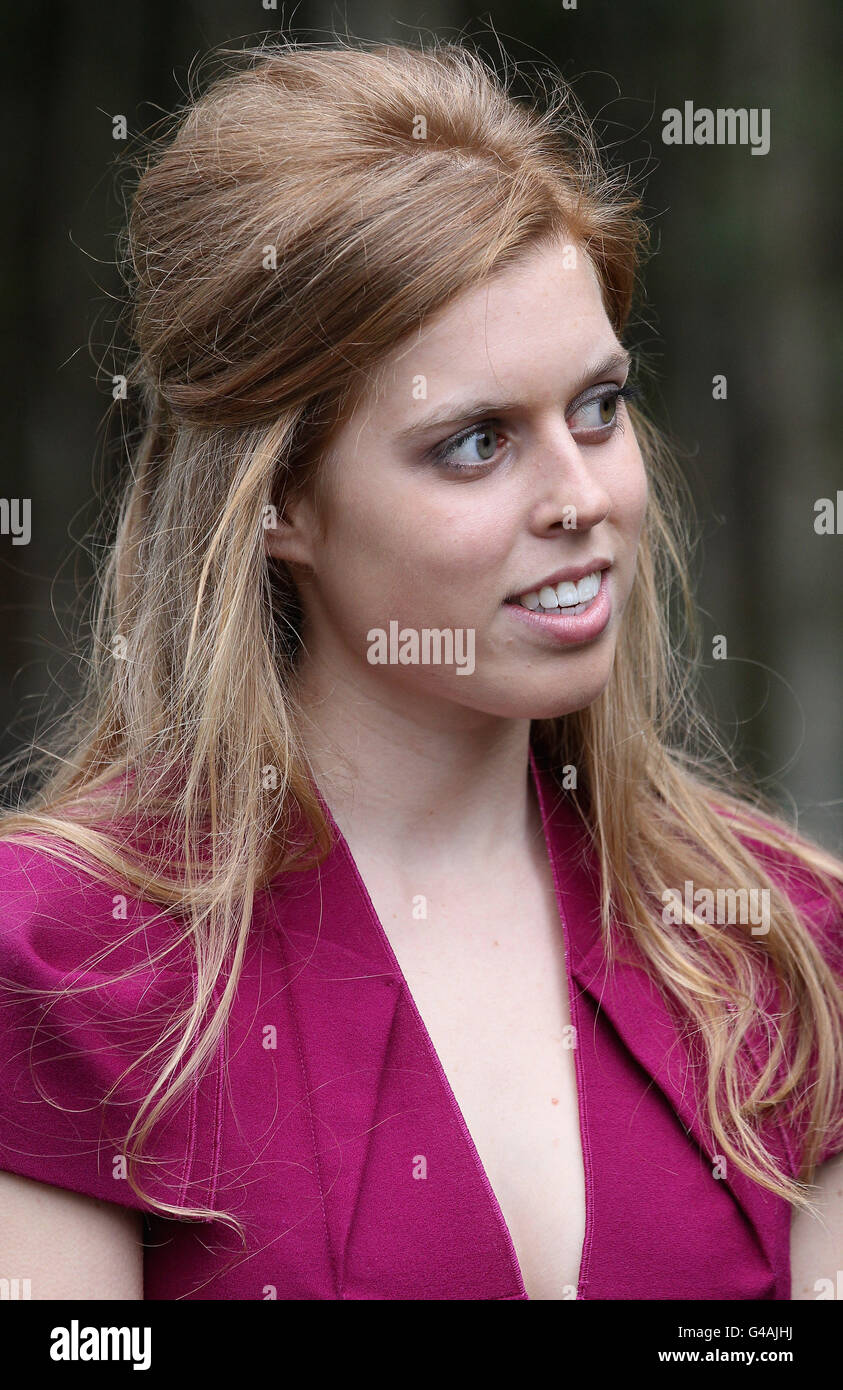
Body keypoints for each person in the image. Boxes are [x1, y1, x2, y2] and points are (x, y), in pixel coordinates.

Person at [0, 37, 841, 1302]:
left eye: (599, 408)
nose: (582, 496)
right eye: (475, 442)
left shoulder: (778, 944)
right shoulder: (69, 957)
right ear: (280, 498)